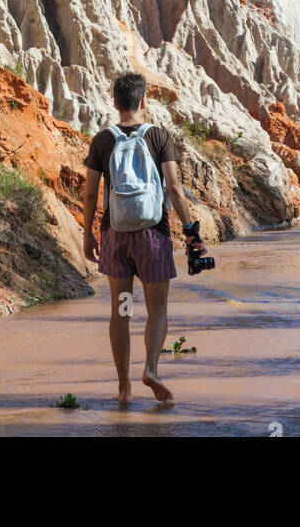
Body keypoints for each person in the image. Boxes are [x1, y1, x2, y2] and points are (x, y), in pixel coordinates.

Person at [83, 72, 207, 407]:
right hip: (153, 236)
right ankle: (151, 368)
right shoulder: (158, 136)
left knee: (121, 310)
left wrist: (88, 235)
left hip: (116, 236)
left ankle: (124, 388)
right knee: (157, 309)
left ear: (114, 102)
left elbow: (91, 194)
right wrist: (191, 232)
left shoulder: (102, 140)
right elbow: (175, 190)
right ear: (143, 101)